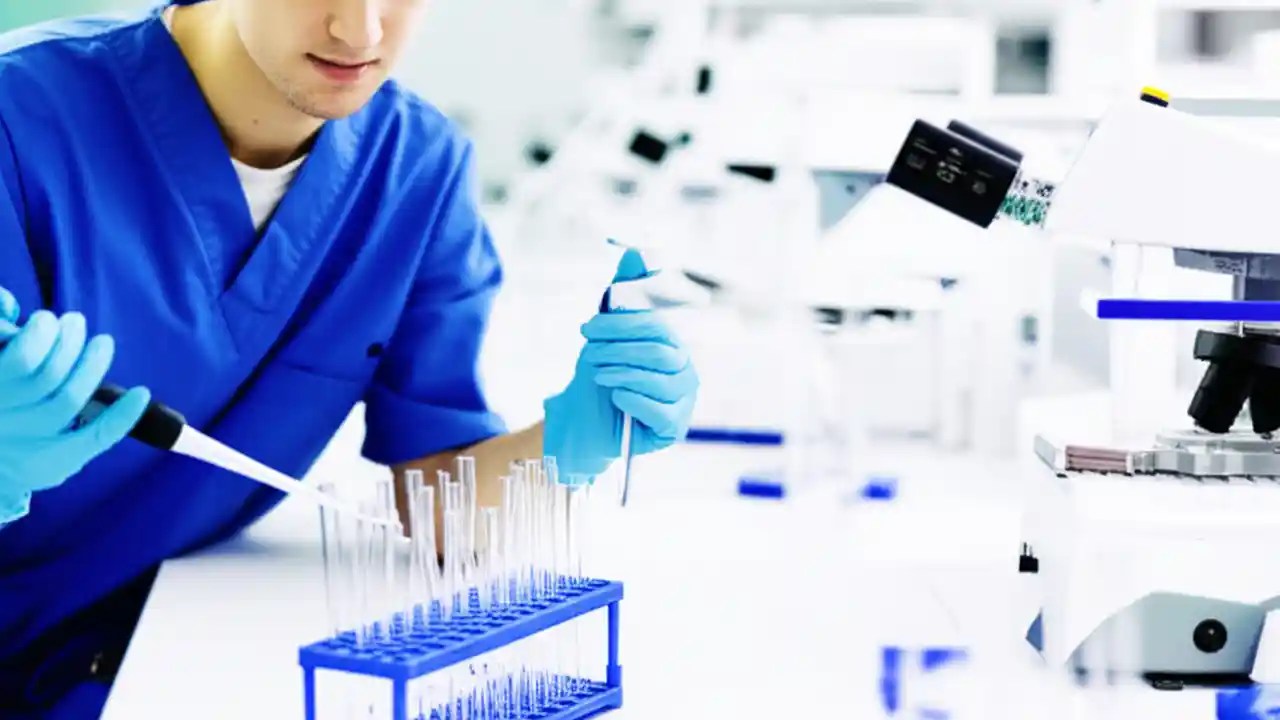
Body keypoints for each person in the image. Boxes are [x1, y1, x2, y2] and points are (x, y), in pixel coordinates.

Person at [0, 1, 699, 716]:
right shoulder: (19, 119)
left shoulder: (415, 169)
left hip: (149, 658)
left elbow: (440, 502)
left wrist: (574, 436)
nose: (360, 31)